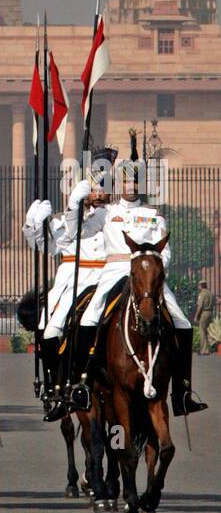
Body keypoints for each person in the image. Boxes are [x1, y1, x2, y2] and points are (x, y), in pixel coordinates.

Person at [69, 147, 207, 416]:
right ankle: (82, 384)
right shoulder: (104, 213)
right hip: (114, 272)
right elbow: (80, 231)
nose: (130, 185)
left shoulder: (154, 214)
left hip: (147, 276)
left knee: (181, 321)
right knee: (88, 317)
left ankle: (182, 391)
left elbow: (165, 251)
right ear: (118, 183)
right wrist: (78, 203)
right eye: (125, 180)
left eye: (134, 180)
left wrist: (152, 268)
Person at [22, 174, 107, 422]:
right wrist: (33, 226)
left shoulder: (114, 215)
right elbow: (48, 247)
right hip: (72, 275)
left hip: (105, 272)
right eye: (93, 190)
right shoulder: (63, 219)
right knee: (46, 327)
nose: (98, 195)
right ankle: (55, 385)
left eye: (103, 190)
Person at [194, 280, 216, 355]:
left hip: (204, 313)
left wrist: (196, 316)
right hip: (211, 313)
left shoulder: (202, 294)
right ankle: (211, 346)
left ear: (201, 286)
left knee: (202, 331)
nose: (198, 287)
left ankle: (204, 350)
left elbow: (200, 306)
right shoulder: (211, 293)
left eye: (198, 285)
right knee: (208, 331)